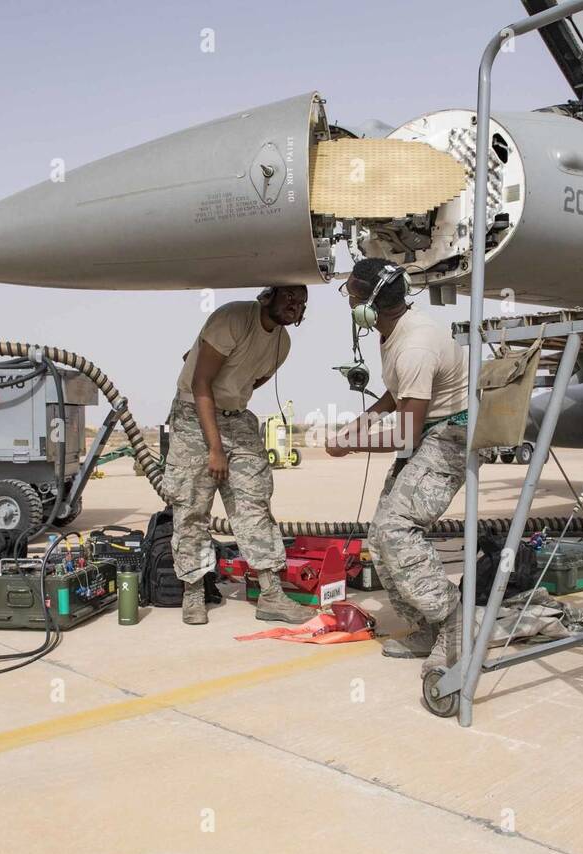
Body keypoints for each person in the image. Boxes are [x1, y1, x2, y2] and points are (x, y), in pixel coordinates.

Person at [326, 258, 469, 676]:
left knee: (396, 529)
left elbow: (406, 434)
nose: (349, 301)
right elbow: (397, 393)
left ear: (370, 305)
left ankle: (454, 624)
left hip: (449, 438)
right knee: (380, 535)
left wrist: (351, 445)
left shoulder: (415, 345)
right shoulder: (397, 329)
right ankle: (426, 624)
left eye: (352, 294)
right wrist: (363, 422)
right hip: (429, 433)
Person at [163, 286, 313, 626]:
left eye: (302, 302)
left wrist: (233, 403)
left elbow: (254, 380)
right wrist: (215, 449)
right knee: (191, 508)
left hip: (236, 419)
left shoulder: (282, 344)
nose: (296, 305)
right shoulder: (232, 318)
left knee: (254, 505)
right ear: (268, 296)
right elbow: (201, 382)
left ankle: (271, 594)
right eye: (289, 296)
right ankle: (193, 592)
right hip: (194, 414)